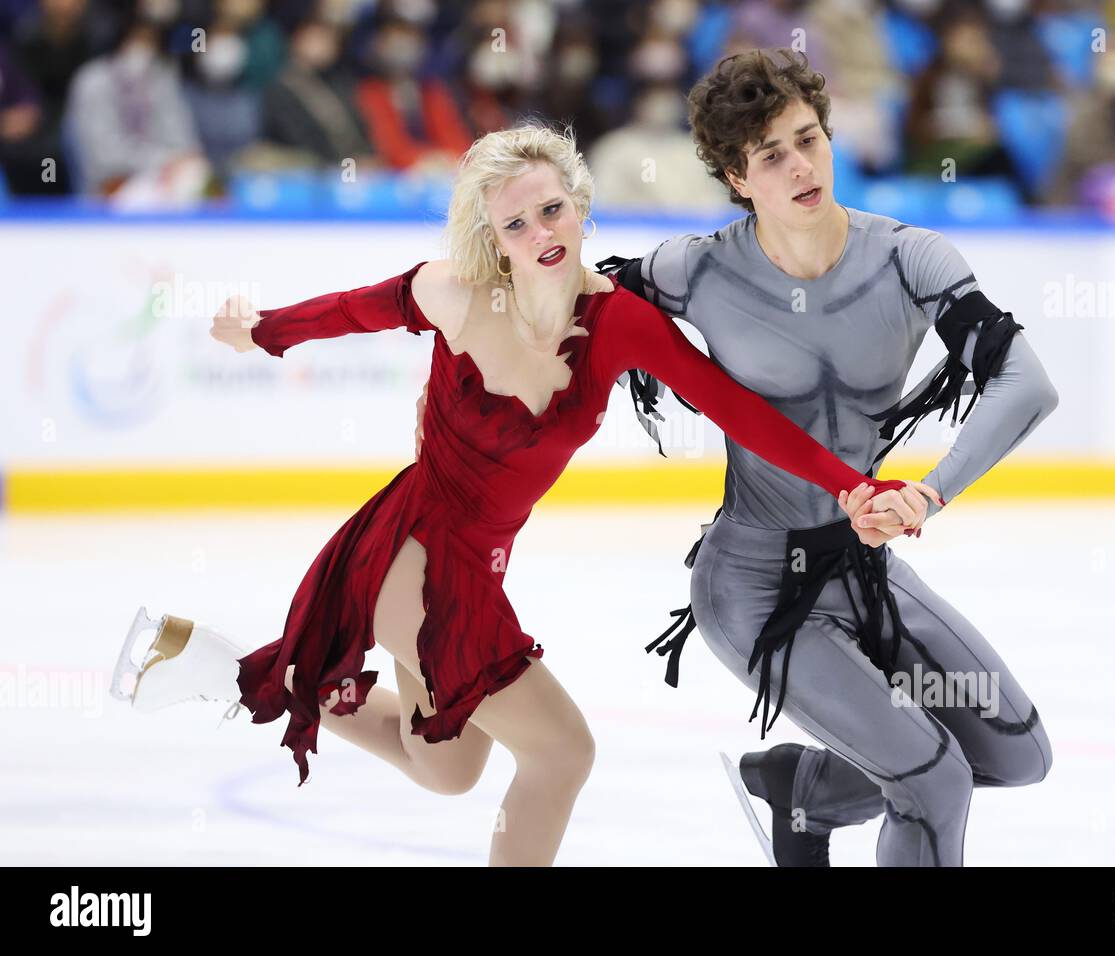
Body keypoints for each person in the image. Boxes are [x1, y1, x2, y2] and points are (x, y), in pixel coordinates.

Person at [111, 121, 921, 867]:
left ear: (580, 206)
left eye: (552, 210)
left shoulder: (621, 324)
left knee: (449, 767)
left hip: (472, 569)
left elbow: (733, 407)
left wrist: (850, 485)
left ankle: (214, 667)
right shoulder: (454, 294)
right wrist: (261, 330)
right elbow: (348, 312)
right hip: (411, 561)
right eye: (516, 225)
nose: (541, 235)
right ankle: (240, 670)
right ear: (492, 242)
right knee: (562, 752)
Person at [597, 49, 1058, 866]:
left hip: (865, 570)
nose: (802, 165)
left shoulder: (909, 258)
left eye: (809, 139)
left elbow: (1027, 382)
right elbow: (570, 313)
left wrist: (930, 493)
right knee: (933, 783)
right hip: (753, 586)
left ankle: (803, 790)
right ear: (739, 178)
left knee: (1013, 754)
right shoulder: (696, 270)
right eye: (773, 155)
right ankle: (818, 793)